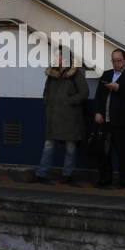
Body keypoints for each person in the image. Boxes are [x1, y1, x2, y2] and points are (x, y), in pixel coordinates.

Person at [36, 47, 86, 184]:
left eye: (58, 56)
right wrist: (47, 102)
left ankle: (67, 174)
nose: (56, 58)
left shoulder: (75, 73)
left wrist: (68, 102)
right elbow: (46, 91)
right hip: (54, 117)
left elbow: (84, 92)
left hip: (70, 118)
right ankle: (41, 174)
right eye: (55, 56)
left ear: (65, 58)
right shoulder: (52, 73)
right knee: (48, 145)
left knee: (70, 147)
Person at [93, 48, 125, 189]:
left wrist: (118, 87)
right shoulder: (106, 74)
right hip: (104, 120)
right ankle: (105, 178)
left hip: (120, 121)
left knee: (123, 152)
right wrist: (97, 112)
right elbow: (99, 95)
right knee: (104, 152)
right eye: (114, 61)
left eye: (119, 60)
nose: (116, 63)